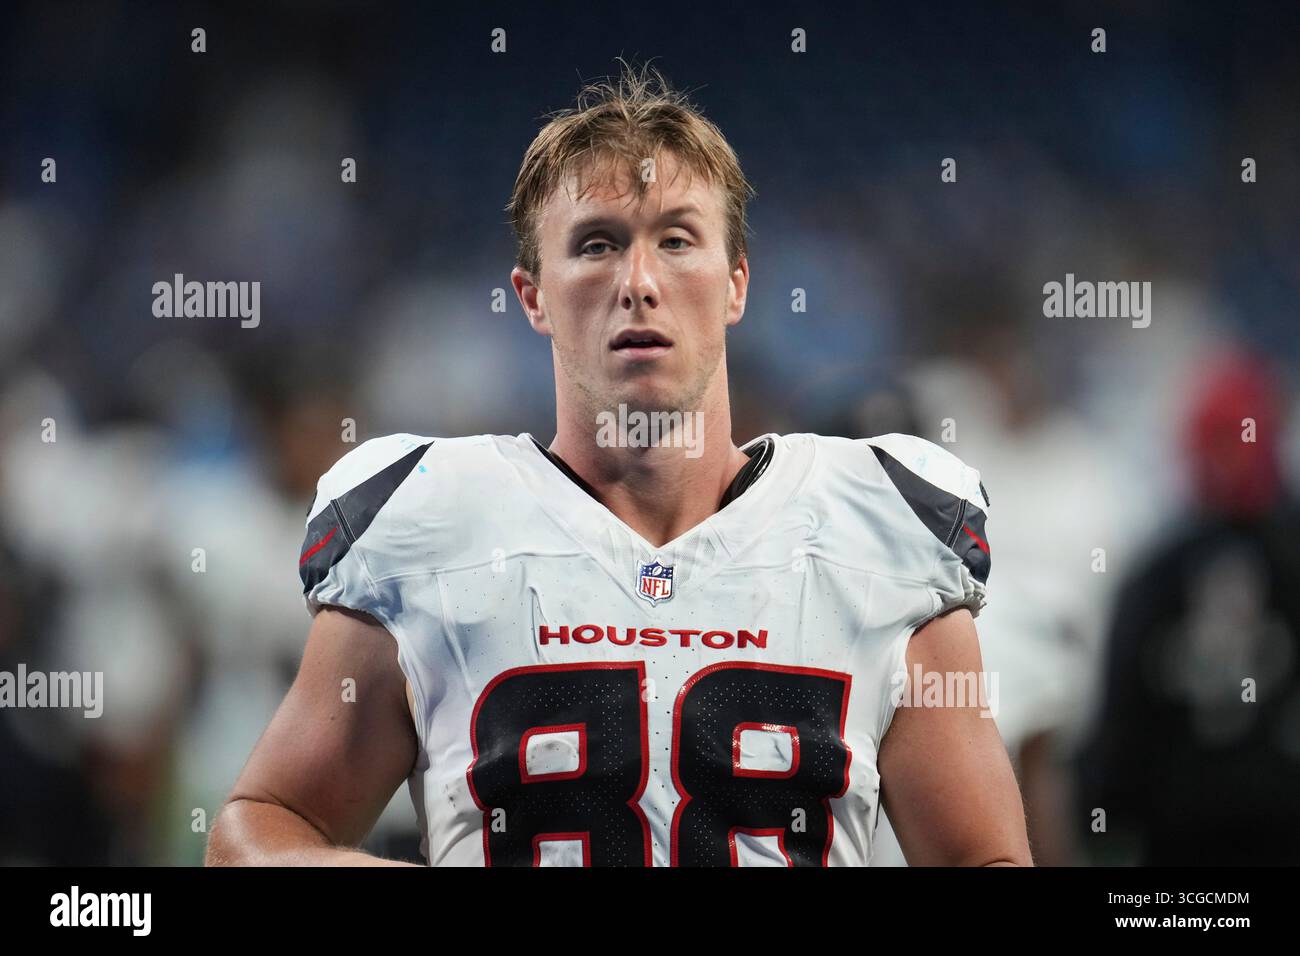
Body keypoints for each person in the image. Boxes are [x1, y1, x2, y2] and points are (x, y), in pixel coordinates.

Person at [206, 62, 1030, 867]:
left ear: (736, 284)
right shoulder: (427, 526)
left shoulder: (881, 531)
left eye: (677, 239)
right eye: (597, 245)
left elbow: (983, 858)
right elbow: (260, 829)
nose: (639, 282)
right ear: (532, 296)